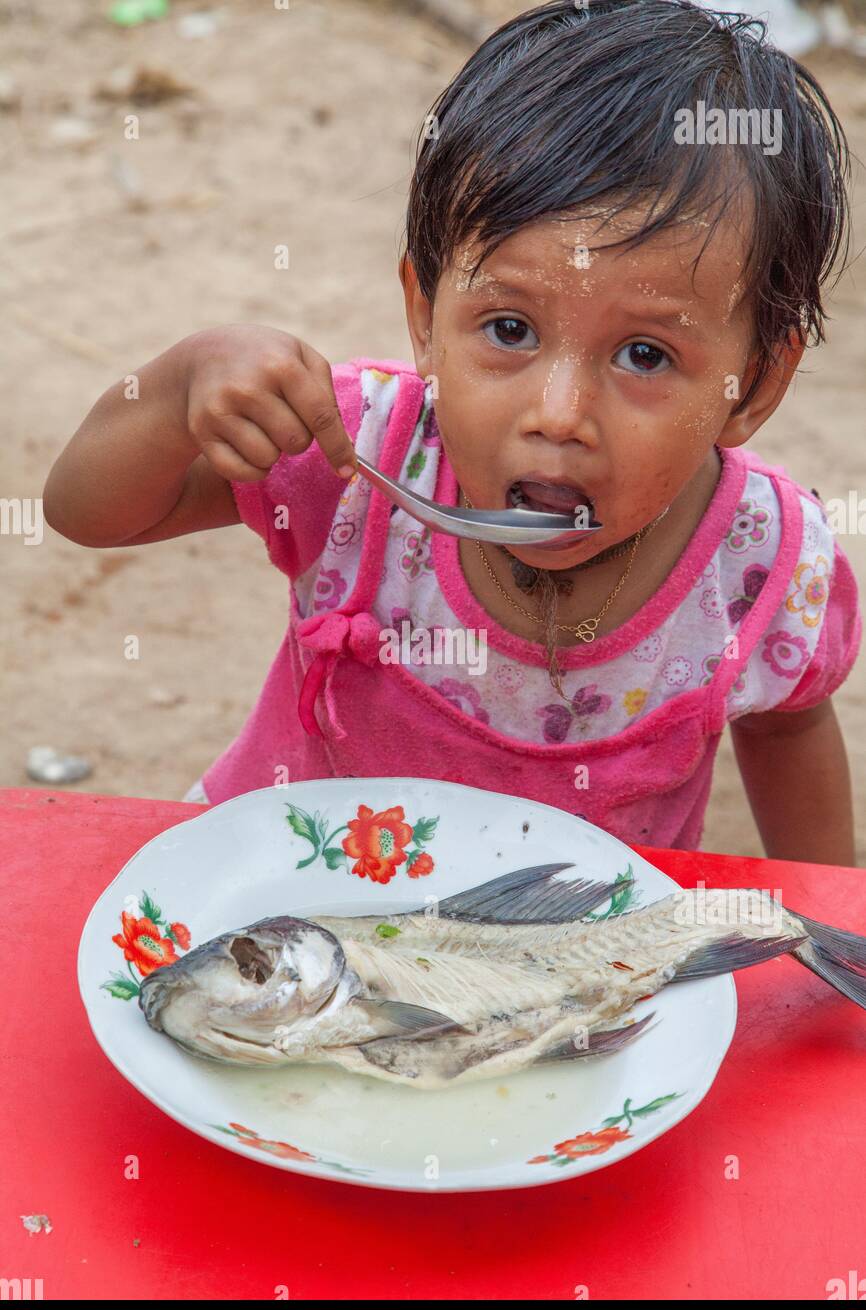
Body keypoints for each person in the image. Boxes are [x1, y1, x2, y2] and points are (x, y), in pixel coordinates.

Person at [43, 0, 861, 863]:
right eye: (509, 329)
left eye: (645, 354)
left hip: (570, 960)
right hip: (290, 920)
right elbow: (89, 512)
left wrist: (821, 917)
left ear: (757, 381)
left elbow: (786, 728)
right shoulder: (356, 452)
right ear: (426, 316)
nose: (557, 413)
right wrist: (176, 390)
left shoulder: (760, 561)